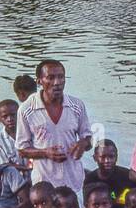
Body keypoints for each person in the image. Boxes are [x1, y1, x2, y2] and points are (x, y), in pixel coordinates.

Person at [16, 59, 93, 198]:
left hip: (73, 181)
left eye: (61, 77)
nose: (57, 82)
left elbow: (88, 138)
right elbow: (22, 149)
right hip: (44, 183)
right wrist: (46, 153)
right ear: (39, 81)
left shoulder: (76, 106)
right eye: (50, 78)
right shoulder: (27, 109)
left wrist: (82, 144)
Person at [83, 140, 135, 208]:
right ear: (95, 158)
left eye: (111, 156)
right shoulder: (90, 179)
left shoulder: (128, 176)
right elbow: (88, 206)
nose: (107, 160)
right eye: (103, 157)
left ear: (116, 157)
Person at [0, 99, 22, 168]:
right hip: (12, 177)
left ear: (20, 115)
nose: (9, 119)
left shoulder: (30, 134)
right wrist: (27, 167)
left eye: (13, 115)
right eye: (5, 116)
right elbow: (4, 165)